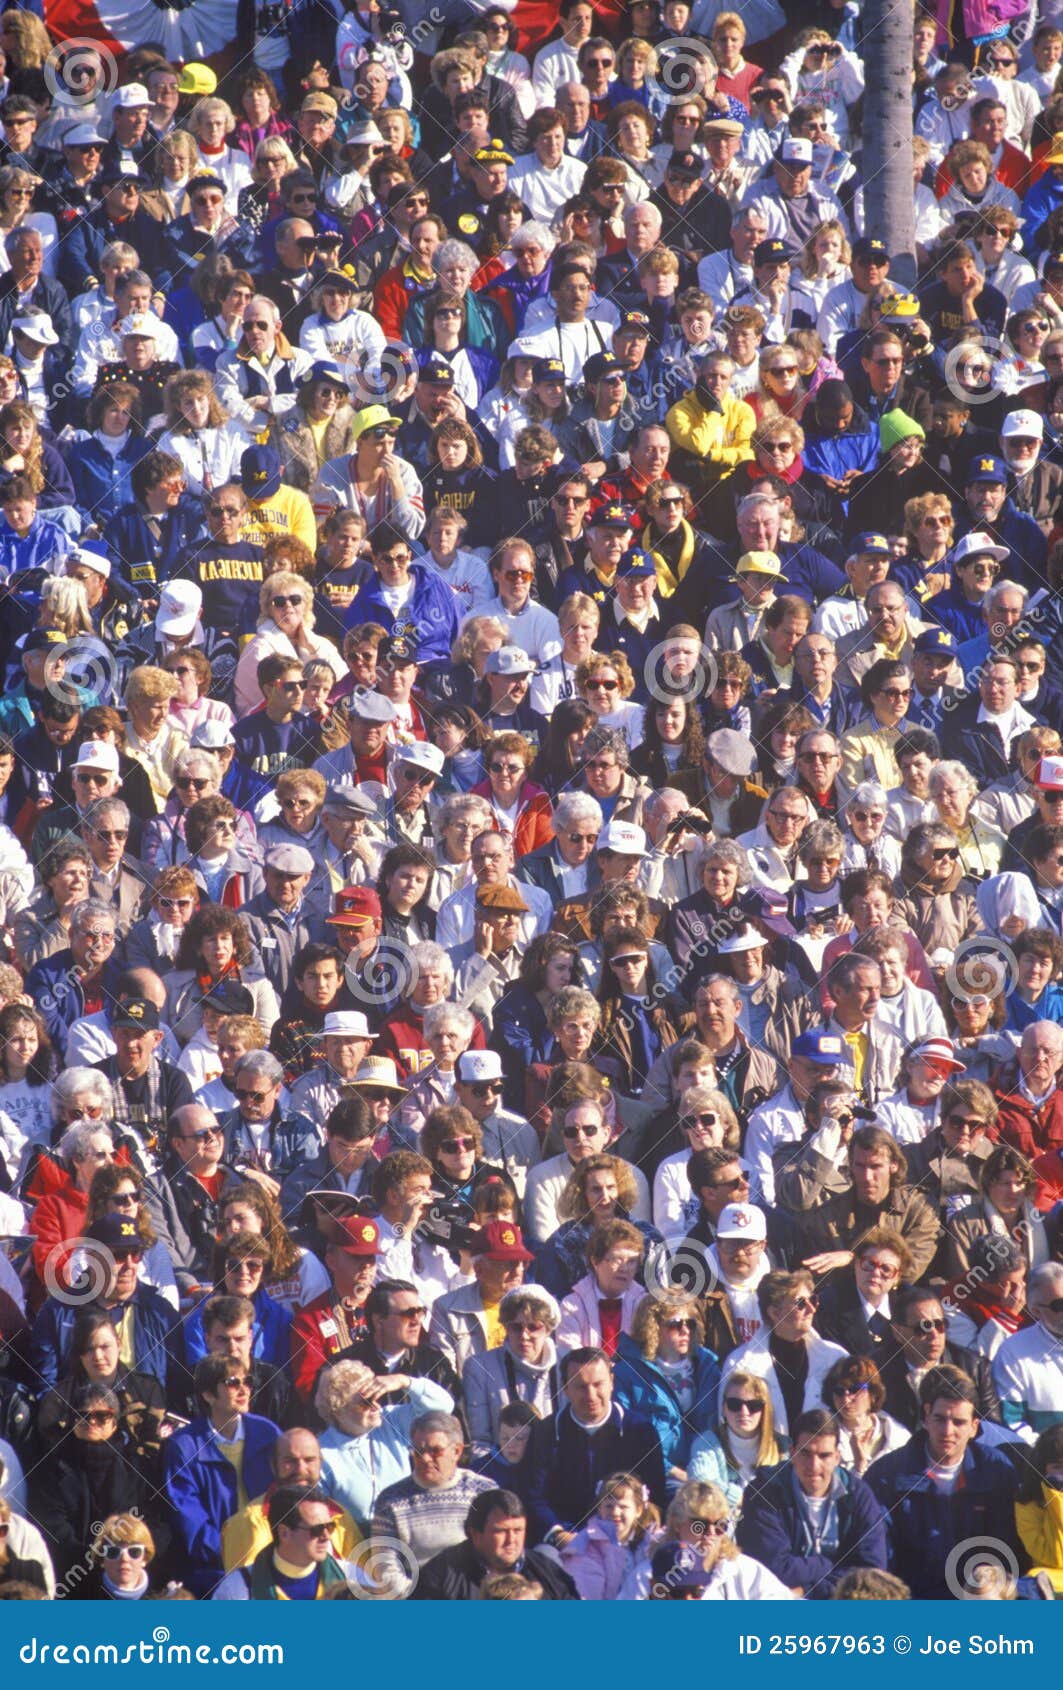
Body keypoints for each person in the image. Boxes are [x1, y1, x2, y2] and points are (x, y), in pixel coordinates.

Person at [865, 1365, 1021, 1599]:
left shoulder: (996, 1471)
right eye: (940, 1419)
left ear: (973, 1427)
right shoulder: (886, 1476)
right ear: (926, 1416)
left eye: (958, 1422)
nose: (947, 1431)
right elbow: (877, 1556)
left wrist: (992, 1578)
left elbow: (1011, 1546)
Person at [736, 1409, 889, 1597]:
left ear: (837, 1457)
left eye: (824, 1455)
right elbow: (774, 1568)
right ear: (792, 1453)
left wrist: (809, 1590)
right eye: (805, 1453)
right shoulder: (764, 1491)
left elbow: (871, 1571)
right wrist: (830, 1564)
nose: (814, 1466)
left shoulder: (858, 1495)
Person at [414, 1488, 579, 1600]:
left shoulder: (546, 1572)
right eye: (501, 1531)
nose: (511, 1540)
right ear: (475, 1534)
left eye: (518, 1530)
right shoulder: (440, 1575)